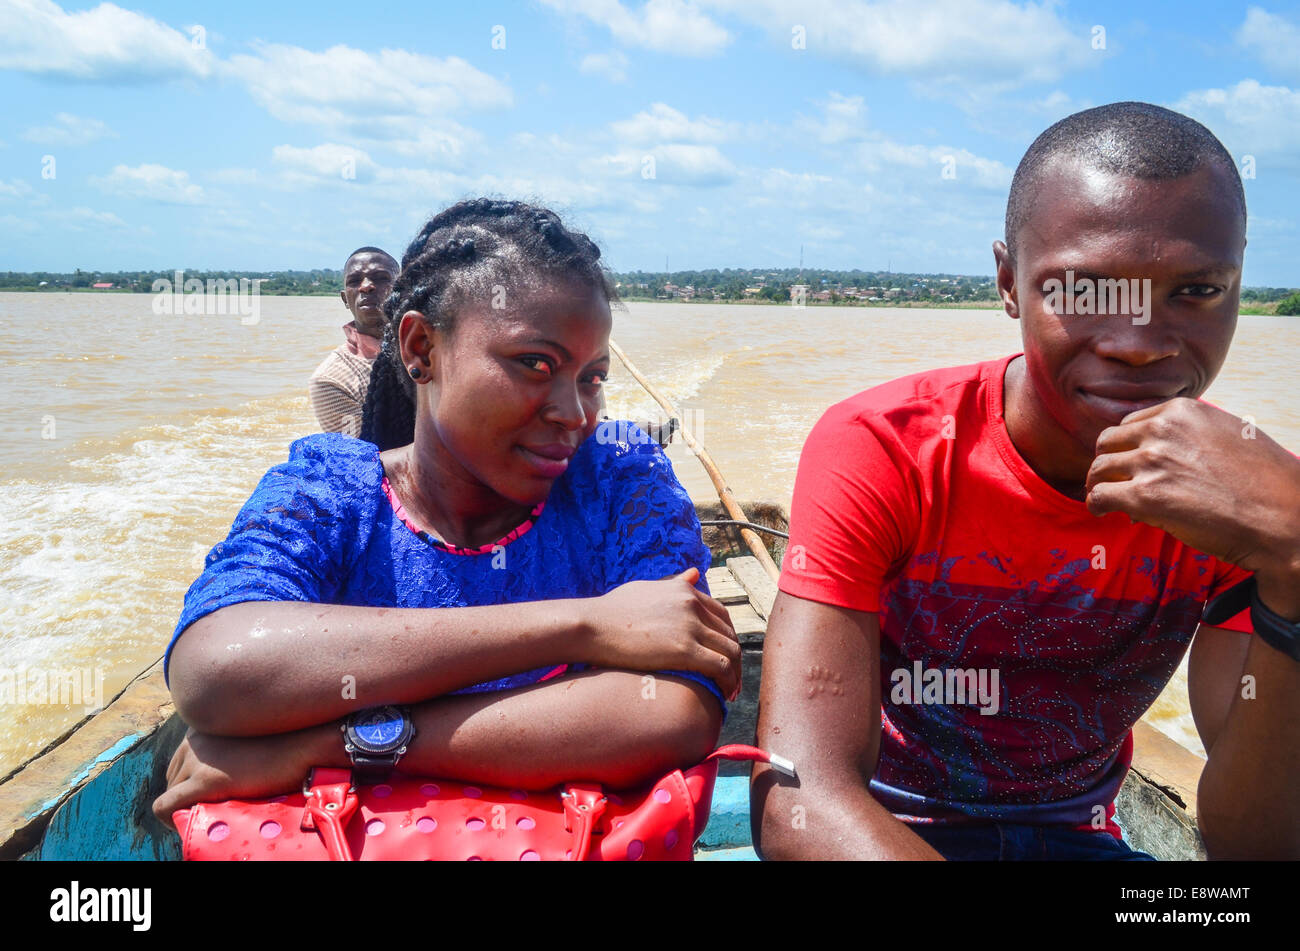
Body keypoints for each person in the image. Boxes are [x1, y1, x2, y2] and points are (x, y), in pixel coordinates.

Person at [752, 102, 1300, 861]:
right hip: (894, 830)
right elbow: (801, 799)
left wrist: (1294, 565)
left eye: (1196, 292)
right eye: (1084, 289)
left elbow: (1255, 849)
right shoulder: (886, 448)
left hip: (1077, 838)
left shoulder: (1246, 498)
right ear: (1010, 283)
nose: (1138, 344)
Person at [154, 199, 739, 826]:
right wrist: (586, 625)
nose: (574, 412)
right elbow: (217, 670)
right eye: (535, 364)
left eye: (591, 377)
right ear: (421, 348)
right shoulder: (333, 489)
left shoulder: (617, 478)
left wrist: (331, 746)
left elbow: (672, 710)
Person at [308, 246, 398, 436]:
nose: (366, 286)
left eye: (381, 278)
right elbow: (361, 459)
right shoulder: (332, 379)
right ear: (345, 299)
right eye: (355, 281)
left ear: (405, 290)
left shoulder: (438, 349)